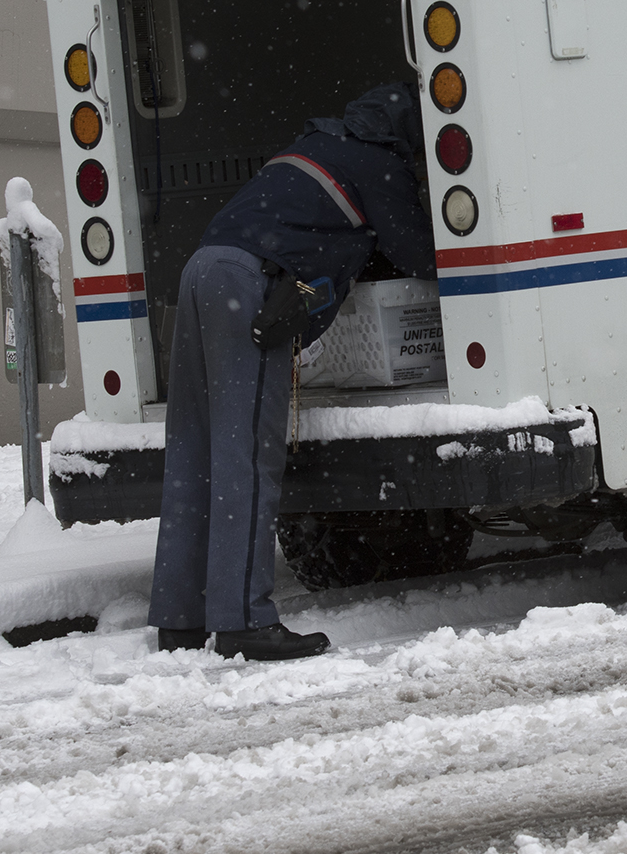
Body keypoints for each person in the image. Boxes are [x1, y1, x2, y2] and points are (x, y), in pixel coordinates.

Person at [149, 82, 436, 660]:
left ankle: (180, 617)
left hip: (202, 272)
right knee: (248, 456)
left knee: (194, 450)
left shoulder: (314, 144)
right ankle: (243, 621)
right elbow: (420, 255)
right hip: (249, 286)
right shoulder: (380, 165)